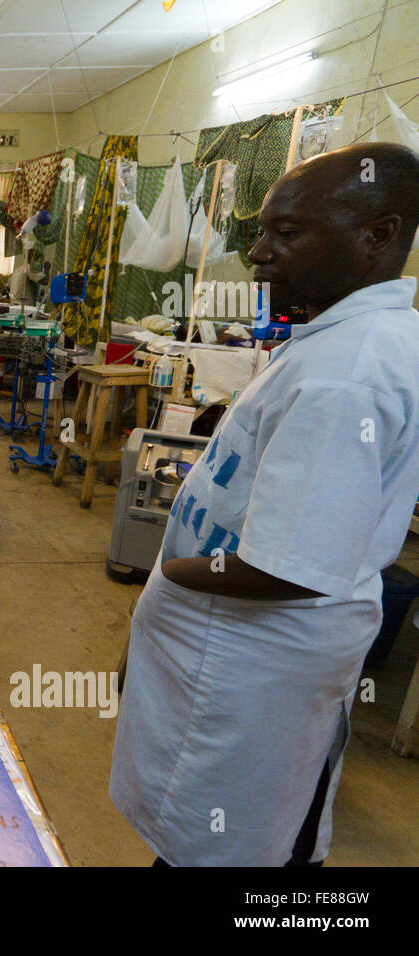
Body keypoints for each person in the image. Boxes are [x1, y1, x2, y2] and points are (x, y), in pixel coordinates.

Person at [110, 142, 419, 866]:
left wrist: (172, 579)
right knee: (229, 840)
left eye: (287, 233)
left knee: (235, 847)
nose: (256, 254)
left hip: (249, 672)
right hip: (237, 664)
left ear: (377, 235)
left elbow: (289, 567)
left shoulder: (348, 374)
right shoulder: (344, 338)